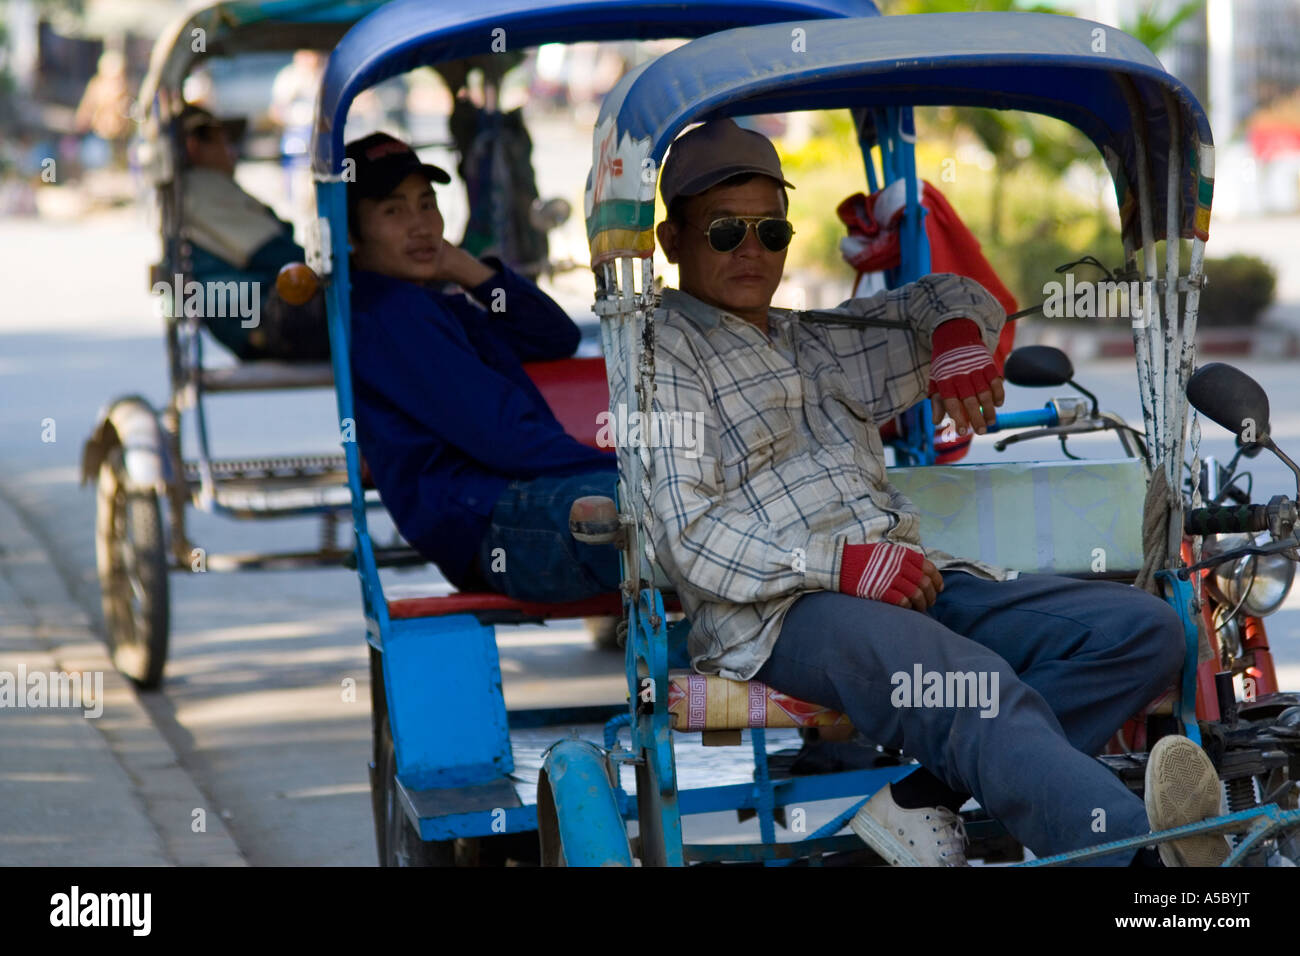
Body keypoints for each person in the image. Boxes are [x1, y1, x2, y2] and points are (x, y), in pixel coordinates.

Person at [642, 118, 1228, 867]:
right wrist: (839, 565)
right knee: (971, 688)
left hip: (909, 582)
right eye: (726, 232)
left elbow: (959, 295)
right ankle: (1144, 863)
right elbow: (686, 536)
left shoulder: (810, 338)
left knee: (1147, 632)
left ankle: (926, 800)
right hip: (785, 612)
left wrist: (952, 332)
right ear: (672, 242)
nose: (752, 249)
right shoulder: (662, 361)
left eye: (771, 230)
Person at [344, 132, 619, 602]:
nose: (421, 226)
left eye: (427, 205)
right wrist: (623, 467)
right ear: (350, 234)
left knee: (686, 509)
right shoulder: (388, 313)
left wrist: (466, 269)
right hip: (492, 517)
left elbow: (554, 336)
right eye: (393, 211)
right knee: (668, 511)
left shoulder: (434, 300)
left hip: (521, 500)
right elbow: (502, 436)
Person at [178, 105, 329, 362]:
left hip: (260, 314)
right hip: (266, 318)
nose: (232, 152)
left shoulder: (196, 190)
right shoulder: (203, 190)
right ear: (194, 146)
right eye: (224, 143)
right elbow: (275, 253)